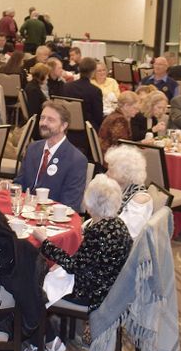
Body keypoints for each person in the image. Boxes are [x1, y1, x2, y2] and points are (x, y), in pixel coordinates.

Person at [32, 175, 131, 312]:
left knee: (35, 280)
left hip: (90, 294)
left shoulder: (98, 232)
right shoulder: (118, 224)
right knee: (50, 272)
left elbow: (73, 266)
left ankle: (35, 327)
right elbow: (84, 261)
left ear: (90, 203)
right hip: (110, 287)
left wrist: (45, 242)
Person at [14, 101, 89, 210]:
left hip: (53, 218)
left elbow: (70, 203)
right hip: (24, 211)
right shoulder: (32, 148)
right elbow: (20, 183)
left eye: (50, 120)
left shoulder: (76, 160)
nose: (43, 123)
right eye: (42, 118)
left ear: (64, 126)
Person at [103, 144, 154, 237]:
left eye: (110, 171)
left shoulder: (140, 200)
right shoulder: (124, 188)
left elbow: (129, 232)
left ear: (124, 174)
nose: (106, 174)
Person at [59, 57, 104, 129]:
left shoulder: (67, 87)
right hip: (88, 131)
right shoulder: (95, 91)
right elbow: (98, 117)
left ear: (79, 69)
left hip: (67, 128)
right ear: (93, 72)